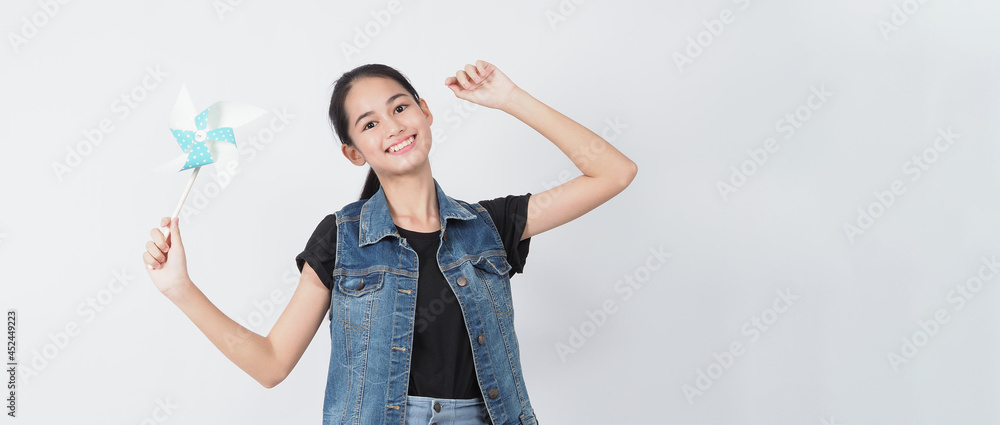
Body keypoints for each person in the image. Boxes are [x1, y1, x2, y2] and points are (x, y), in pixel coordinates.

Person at [142, 59, 637, 425]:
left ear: (424, 112)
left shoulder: (491, 225)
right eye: (370, 123)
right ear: (354, 153)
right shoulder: (341, 238)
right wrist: (180, 289)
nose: (393, 126)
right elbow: (271, 364)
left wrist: (508, 97)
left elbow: (614, 172)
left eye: (400, 107)